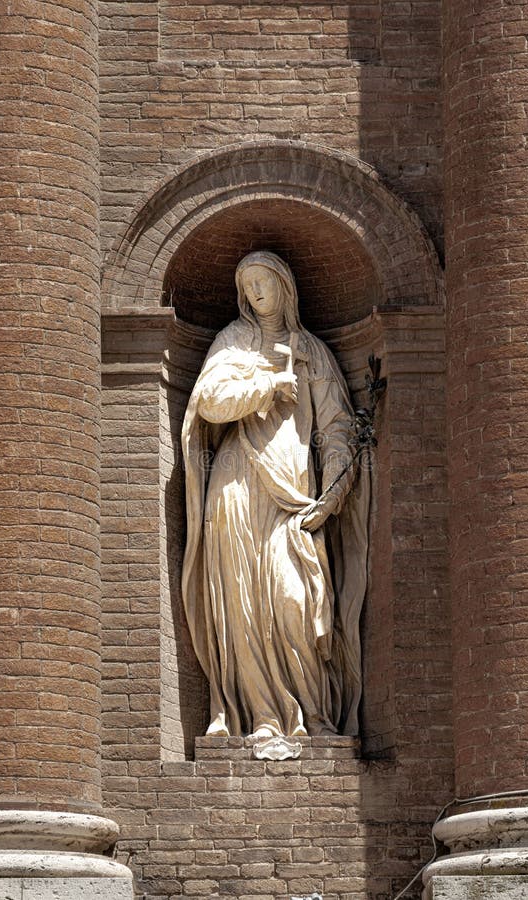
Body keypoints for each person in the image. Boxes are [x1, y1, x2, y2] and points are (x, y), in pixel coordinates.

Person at [181, 251, 368, 739]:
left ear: (284, 286)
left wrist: (332, 492)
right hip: (236, 486)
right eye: (247, 287)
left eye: (263, 282)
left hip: (295, 493)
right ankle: (261, 717)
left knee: (294, 601)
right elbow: (210, 402)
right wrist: (268, 384)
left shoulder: (313, 352)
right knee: (242, 601)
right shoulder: (233, 341)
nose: (256, 294)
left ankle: (313, 716)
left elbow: (337, 428)